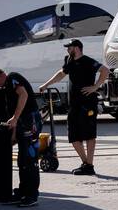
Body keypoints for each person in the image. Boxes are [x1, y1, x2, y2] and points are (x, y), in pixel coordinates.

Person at [40, 39, 106, 176]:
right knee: (73, 136)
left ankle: (89, 165)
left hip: (88, 104)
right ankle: (86, 164)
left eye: (69, 47)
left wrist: (95, 87)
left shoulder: (88, 61)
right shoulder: (69, 62)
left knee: (89, 134)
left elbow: (105, 71)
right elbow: (61, 74)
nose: (67, 50)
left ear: (76, 48)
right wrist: (46, 84)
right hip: (74, 104)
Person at [0, 68, 39, 207]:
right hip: (22, 123)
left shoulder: (12, 78)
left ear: (0, 76)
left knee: (29, 160)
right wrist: (13, 133)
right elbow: (13, 113)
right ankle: (22, 192)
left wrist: (15, 118)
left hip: (30, 121)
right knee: (22, 160)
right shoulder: (7, 86)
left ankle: (32, 195)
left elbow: (23, 95)